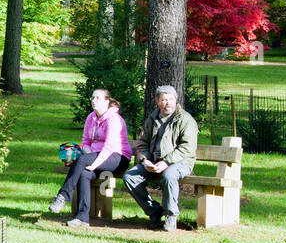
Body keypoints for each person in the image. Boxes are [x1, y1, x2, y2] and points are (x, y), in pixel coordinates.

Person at [50, 88, 133, 227]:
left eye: (98, 98)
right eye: (92, 97)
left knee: (82, 161)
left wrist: (93, 164)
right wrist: (89, 155)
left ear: (107, 101)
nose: (94, 101)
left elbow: (108, 148)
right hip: (95, 156)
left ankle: (63, 196)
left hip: (117, 157)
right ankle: (82, 217)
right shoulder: (91, 117)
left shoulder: (114, 119)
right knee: (84, 173)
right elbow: (85, 141)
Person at [122, 84, 198, 232]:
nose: (167, 103)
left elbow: (187, 148)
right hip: (154, 163)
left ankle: (171, 215)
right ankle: (155, 212)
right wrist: (145, 161)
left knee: (169, 175)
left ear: (176, 100)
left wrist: (166, 162)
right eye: (163, 100)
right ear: (157, 101)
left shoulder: (185, 120)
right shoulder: (152, 119)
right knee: (129, 177)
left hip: (180, 162)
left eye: (170, 99)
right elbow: (142, 143)